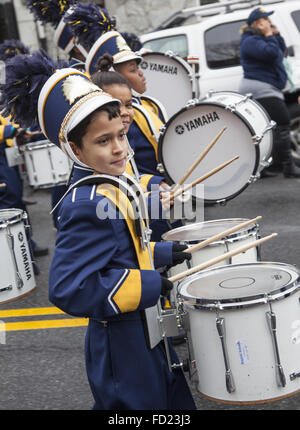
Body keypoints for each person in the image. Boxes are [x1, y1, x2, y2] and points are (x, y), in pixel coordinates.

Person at [0, 49, 196, 410]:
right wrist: (148, 282)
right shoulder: (87, 203)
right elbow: (69, 287)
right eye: (103, 142)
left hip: (144, 325)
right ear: (74, 149)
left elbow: (119, 250)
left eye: (120, 135)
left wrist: (163, 254)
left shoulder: (110, 184)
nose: (120, 148)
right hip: (122, 344)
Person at [239, 7, 300, 178]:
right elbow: (272, 54)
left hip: (268, 87)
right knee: (283, 122)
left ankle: (265, 167)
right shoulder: (249, 41)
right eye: (266, 20)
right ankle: (288, 167)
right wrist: (269, 34)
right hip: (260, 89)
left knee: (266, 129)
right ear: (257, 24)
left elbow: (281, 53)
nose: (270, 22)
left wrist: (276, 34)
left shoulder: (260, 38)